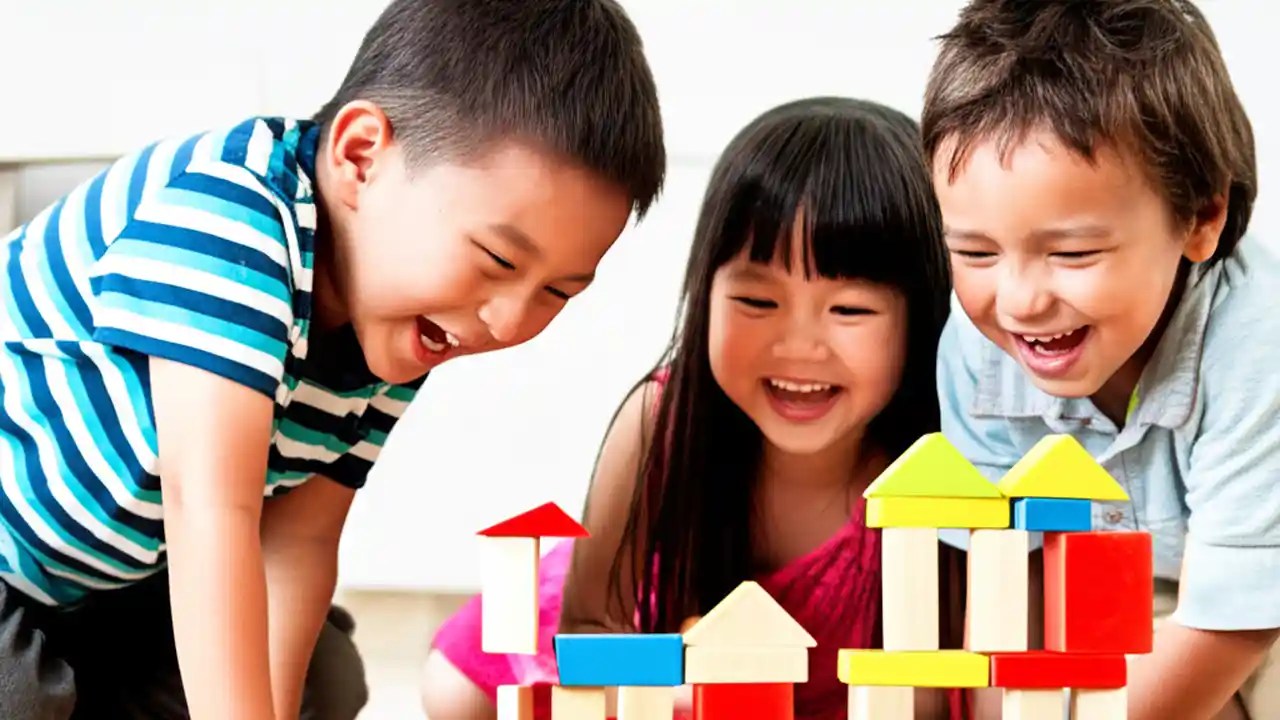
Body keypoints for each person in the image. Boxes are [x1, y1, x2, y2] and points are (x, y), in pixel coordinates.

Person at [0, 0, 665, 717]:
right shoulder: (229, 220)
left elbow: (299, 539)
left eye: (558, 292)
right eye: (498, 258)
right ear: (360, 156)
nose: (507, 320)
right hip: (23, 564)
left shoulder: (405, 318)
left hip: (108, 585)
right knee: (25, 699)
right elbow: (210, 512)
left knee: (322, 682)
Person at [422, 96, 970, 720]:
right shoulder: (662, 419)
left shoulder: (934, 466)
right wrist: (684, 694)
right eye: (758, 302)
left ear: (921, 318)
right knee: (454, 691)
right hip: (656, 668)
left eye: (850, 310)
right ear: (705, 293)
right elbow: (592, 628)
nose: (796, 346)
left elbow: (935, 687)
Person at [922, 1, 1279, 719]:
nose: (1018, 301)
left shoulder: (1255, 344)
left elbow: (1235, 623)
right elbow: (999, 585)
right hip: (1123, 591)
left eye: (1073, 253)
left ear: (1201, 219)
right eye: (976, 252)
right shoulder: (975, 345)